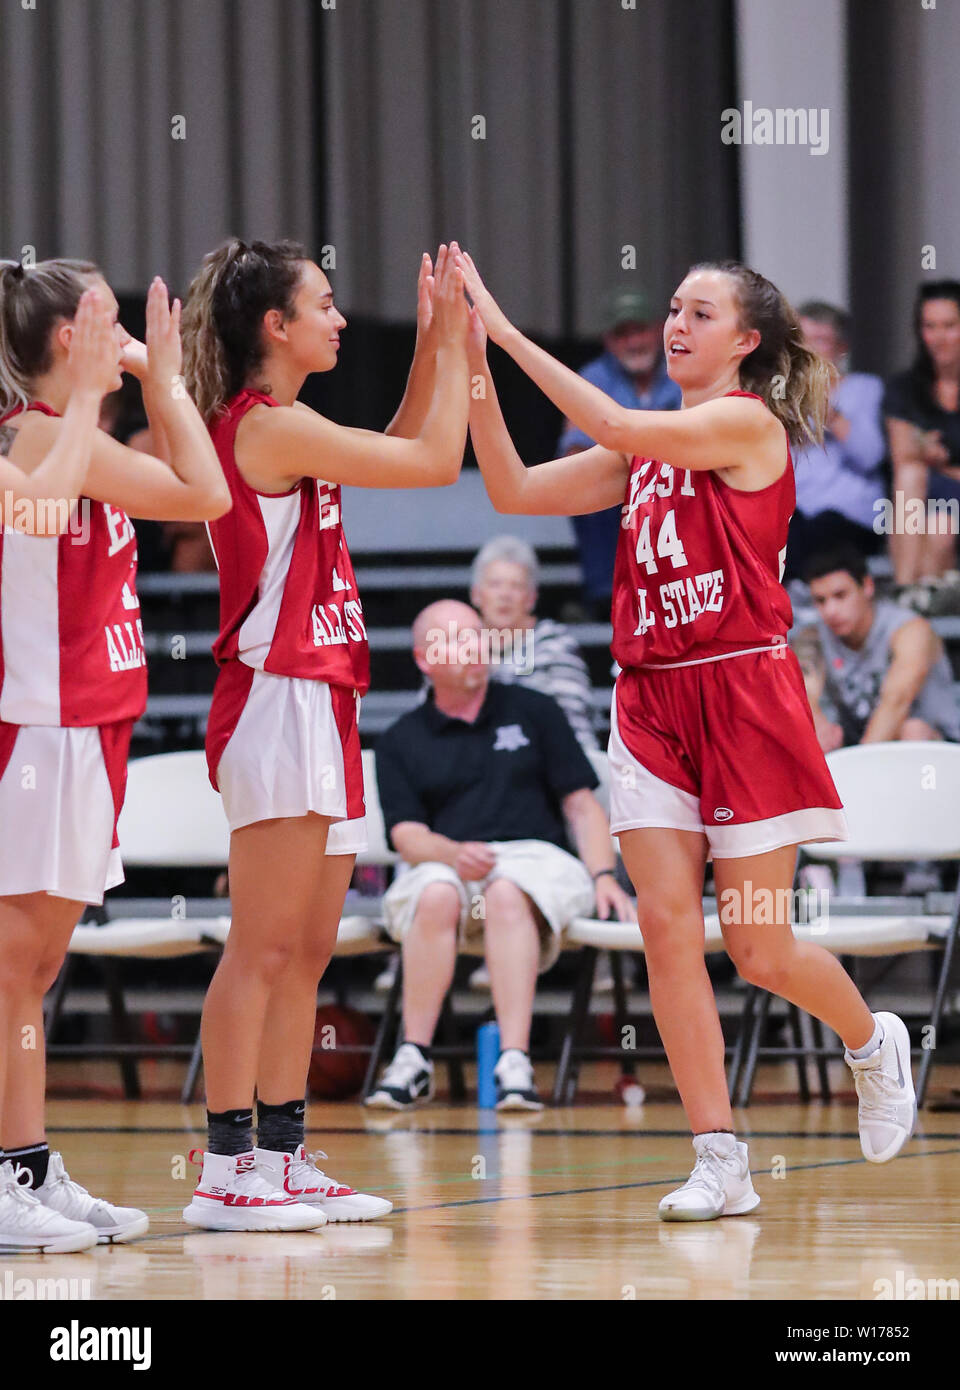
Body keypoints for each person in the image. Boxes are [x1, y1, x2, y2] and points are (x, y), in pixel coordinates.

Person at [455, 247, 917, 1219]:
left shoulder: (745, 424)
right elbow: (511, 489)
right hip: (651, 699)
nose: (675, 323)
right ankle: (718, 1155)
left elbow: (620, 416)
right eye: (673, 307)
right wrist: (472, 366)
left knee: (758, 947)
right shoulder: (639, 450)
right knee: (667, 931)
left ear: (745, 342)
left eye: (699, 312)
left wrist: (504, 329)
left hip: (742, 696)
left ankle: (873, 1041)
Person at [178, 238, 470, 1229]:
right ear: (276, 327)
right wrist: (455, 342)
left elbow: (395, 442)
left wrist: (433, 346)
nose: (342, 320)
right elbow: (433, 459)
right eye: (327, 304)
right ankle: (226, 1170)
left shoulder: (294, 425)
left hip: (327, 693)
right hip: (273, 694)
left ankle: (285, 1155)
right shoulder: (263, 429)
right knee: (259, 946)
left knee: (306, 949)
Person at [0, 260, 230, 1251]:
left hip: (93, 721)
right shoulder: (23, 441)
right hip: (29, 725)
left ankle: (28, 1162)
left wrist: (164, 378)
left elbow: (205, 495)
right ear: (69, 337)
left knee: (37, 967)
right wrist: (99, 392)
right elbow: (39, 510)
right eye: (104, 313)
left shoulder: (75, 437)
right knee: (11, 967)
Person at [366, 600, 633, 1112]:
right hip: (448, 862)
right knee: (437, 891)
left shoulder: (536, 711)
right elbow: (406, 837)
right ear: (425, 658)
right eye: (458, 640)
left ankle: (515, 1061)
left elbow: (581, 806)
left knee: (506, 892)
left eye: (478, 636)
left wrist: (603, 874)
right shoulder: (401, 739)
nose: (474, 648)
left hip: (536, 861)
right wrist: (451, 854)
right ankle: (412, 1057)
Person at [793, 545, 959, 897]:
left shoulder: (910, 630)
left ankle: (922, 865)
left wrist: (857, 777)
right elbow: (801, 690)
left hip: (939, 763)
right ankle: (834, 868)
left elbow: (896, 703)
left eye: (840, 595)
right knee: (814, 739)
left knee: (910, 731)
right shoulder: (815, 638)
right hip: (873, 754)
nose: (831, 610)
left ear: (867, 587)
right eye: (821, 601)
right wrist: (818, 724)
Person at [559, 289, 681, 617]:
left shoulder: (685, 369)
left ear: (658, 329)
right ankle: (606, 598)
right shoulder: (593, 378)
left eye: (638, 330)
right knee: (588, 489)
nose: (632, 342)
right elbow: (573, 451)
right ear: (609, 341)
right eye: (621, 334)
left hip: (679, 489)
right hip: (620, 491)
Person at [784, 303, 886, 583]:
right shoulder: (782, 396)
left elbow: (871, 456)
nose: (808, 351)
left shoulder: (865, 388)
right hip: (798, 516)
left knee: (819, 528)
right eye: (801, 341)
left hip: (851, 515)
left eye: (819, 341)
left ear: (841, 348)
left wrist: (828, 411)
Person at [470, 534, 598, 750]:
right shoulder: (457, 645)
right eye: (495, 584)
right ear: (476, 594)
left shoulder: (555, 644)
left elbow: (574, 728)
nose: (505, 595)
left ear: (531, 598)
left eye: (516, 586)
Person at [884, 281, 960, 607]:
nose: (938, 338)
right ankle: (910, 593)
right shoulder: (905, 388)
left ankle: (909, 603)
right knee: (917, 485)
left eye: (949, 326)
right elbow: (903, 455)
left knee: (940, 524)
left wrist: (939, 461)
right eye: (930, 327)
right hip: (923, 503)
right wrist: (927, 459)